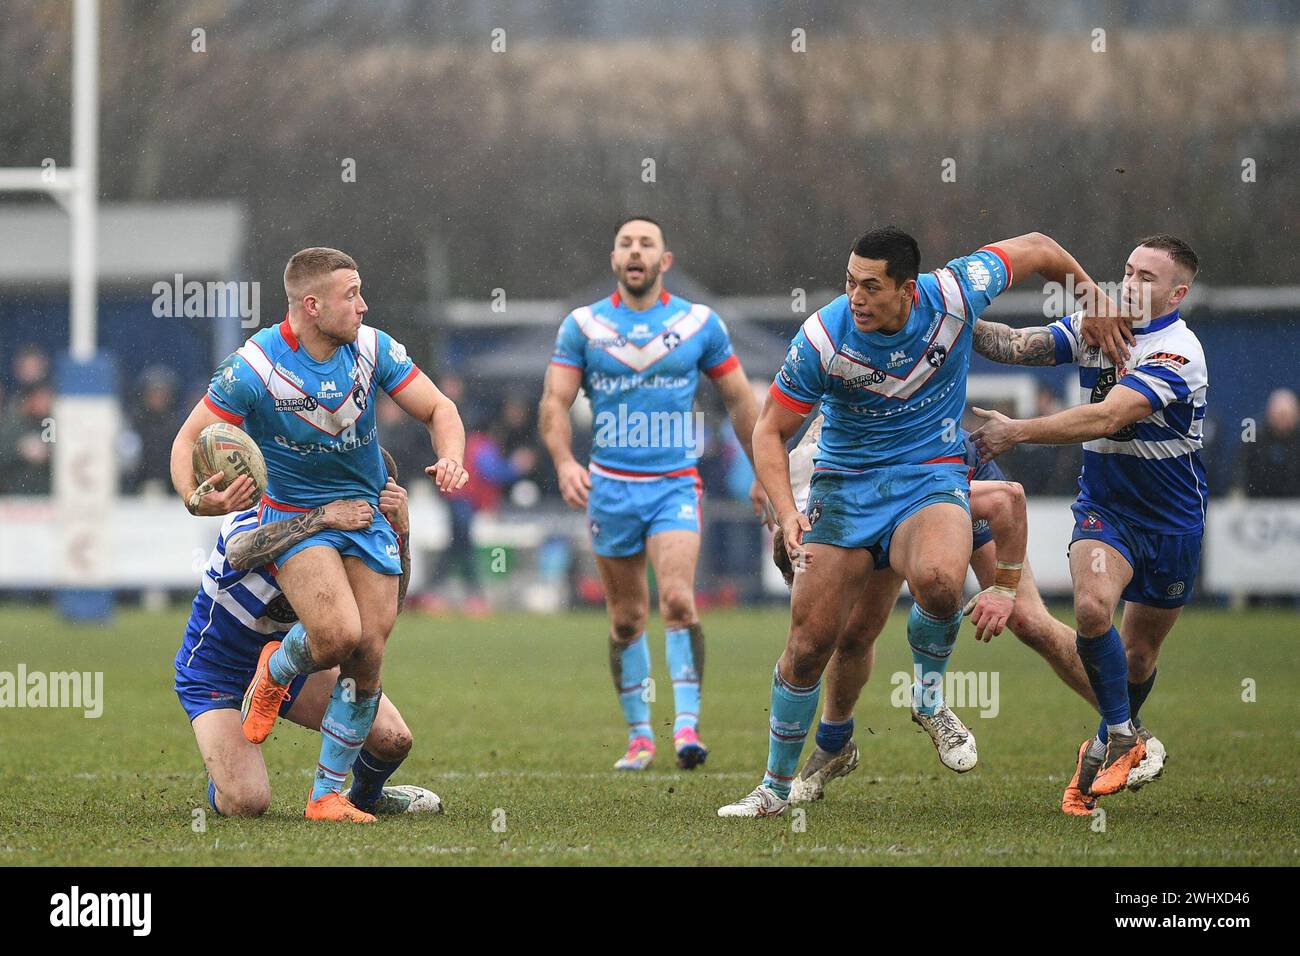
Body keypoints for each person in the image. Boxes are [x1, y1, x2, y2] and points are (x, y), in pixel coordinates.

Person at [719, 226, 1115, 818]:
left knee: (939, 580)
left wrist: (1092, 295)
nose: (855, 296)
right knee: (811, 644)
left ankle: (930, 701)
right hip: (847, 488)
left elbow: (1036, 247)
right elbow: (769, 431)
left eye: (870, 286)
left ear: (908, 290)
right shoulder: (824, 337)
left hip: (930, 475)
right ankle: (776, 788)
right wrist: (787, 511)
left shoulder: (955, 292)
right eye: (849, 282)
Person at [170, 246, 468, 823]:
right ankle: (236, 756)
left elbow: (440, 410)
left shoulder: (373, 351)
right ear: (312, 305)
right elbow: (190, 449)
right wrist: (195, 496)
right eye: (351, 294)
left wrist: (422, 498)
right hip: (221, 661)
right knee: (248, 802)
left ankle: (349, 797)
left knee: (383, 706)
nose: (363, 305)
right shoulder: (255, 375)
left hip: (304, 625)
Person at [970, 234, 1206, 814]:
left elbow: (1107, 417)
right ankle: (1124, 733)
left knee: (1138, 658)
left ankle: (1105, 738)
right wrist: (943, 314)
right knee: (1093, 609)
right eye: (1127, 270)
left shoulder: (1180, 352)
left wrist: (1018, 431)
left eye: (1147, 278)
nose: (1130, 283)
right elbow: (1016, 345)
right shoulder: (1093, 326)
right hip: (1106, 511)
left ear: (1178, 292)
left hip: (1171, 523)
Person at [772, 417, 1126, 802]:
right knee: (852, 634)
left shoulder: (829, 500)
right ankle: (835, 744)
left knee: (1025, 618)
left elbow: (1005, 498)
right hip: (883, 488)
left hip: (945, 472)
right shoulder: (797, 500)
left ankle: (1129, 727)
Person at [539, 216, 769, 772]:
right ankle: (640, 736)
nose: (635, 251)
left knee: (680, 601)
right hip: (610, 490)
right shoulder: (584, 326)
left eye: (647, 244)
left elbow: (741, 401)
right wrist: (566, 462)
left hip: (674, 487)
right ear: (614, 259)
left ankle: (686, 728)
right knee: (625, 619)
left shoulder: (698, 324)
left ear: (664, 262)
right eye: (625, 243)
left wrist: (766, 470)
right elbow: (553, 403)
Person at [175, 448, 441, 817]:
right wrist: (322, 518)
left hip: (293, 664)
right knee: (247, 802)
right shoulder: (272, 508)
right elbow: (238, 551)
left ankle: (364, 799)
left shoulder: (353, 539)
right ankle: (225, 772)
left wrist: (401, 533)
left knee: (393, 740)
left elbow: (386, 613)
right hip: (216, 669)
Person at [1235, 387, 1300, 498]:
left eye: (1287, 416)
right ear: (1269, 414)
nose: (1283, 421)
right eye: (1280, 415)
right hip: (1257, 500)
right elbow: (1240, 467)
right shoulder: (1253, 435)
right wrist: (1237, 491)